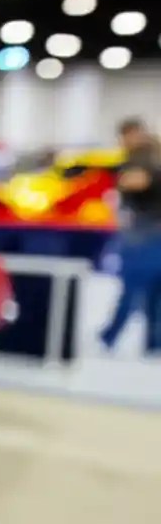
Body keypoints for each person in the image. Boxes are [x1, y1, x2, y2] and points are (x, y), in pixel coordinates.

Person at [99, 118, 161, 355]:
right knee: (156, 294)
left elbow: (137, 181)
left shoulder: (140, 158)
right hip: (152, 234)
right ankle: (154, 343)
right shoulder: (154, 156)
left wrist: (119, 182)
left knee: (132, 288)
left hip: (144, 236)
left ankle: (109, 336)